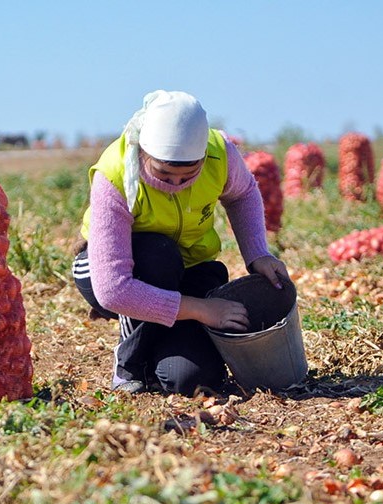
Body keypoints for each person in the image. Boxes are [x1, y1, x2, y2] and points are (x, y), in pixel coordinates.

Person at [71, 89, 292, 395]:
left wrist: (257, 254)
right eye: (164, 174)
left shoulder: (219, 153)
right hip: (114, 273)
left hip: (186, 272)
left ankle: (159, 351)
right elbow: (113, 291)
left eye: (189, 174)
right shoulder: (116, 174)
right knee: (158, 256)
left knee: (191, 379)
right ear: (142, 153)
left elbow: (243, 194)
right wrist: (201, 309)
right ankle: (129, 363)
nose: (176, 185)